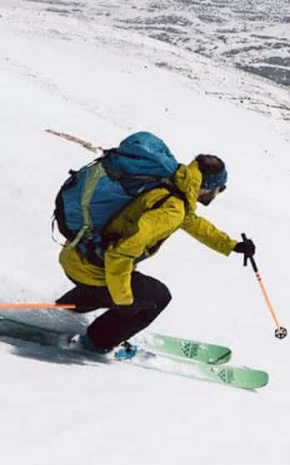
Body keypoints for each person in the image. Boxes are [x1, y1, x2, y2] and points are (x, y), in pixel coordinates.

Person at [56, 153, 255, 357]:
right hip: (93, 267)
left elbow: (193, 222)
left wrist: (232, 245)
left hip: (78, 255)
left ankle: (61, 313)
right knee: (157, 298)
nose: (218, 193)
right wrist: (123, 300)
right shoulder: (173, 209)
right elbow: (121, 252)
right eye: (221, 188)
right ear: (210, 186)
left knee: (120, 289)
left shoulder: (174, 185)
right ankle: (97, 342)